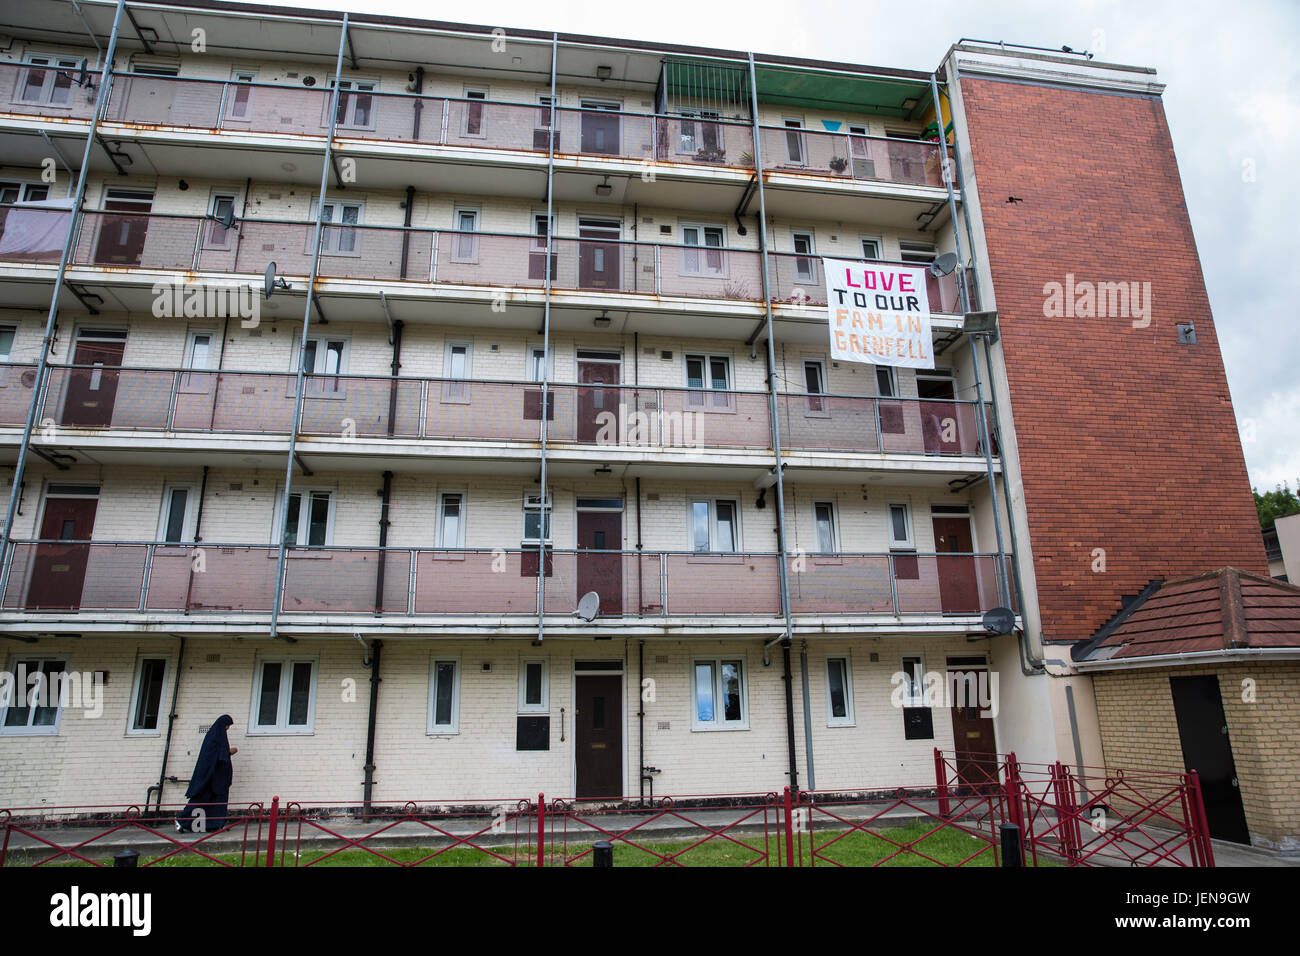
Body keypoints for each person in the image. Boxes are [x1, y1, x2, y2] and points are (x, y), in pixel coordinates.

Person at [176, 715, 237, 833]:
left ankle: (215, 823)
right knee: (200, 799)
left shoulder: (217, 736)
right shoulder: (214, 738)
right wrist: (230, 751)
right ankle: (182, 821)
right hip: (210, 777)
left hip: (218, 778)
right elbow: (216, 755)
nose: (227, 729)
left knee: (216, 801)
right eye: (227, 726)